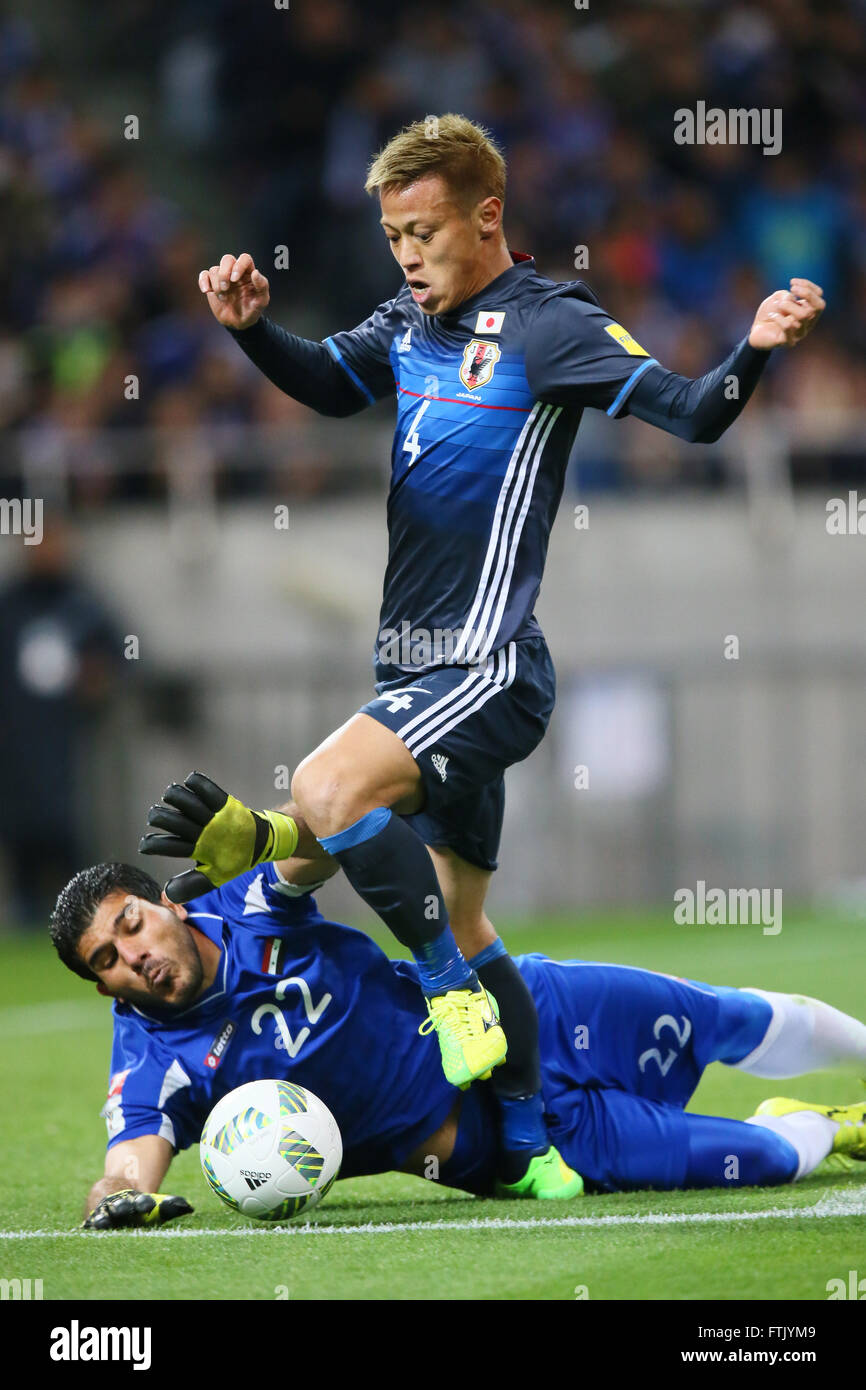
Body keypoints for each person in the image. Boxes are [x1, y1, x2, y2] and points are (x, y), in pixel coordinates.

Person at [171, 113, 824, 1199]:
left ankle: (441, 989)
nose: (408, 255)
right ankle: (526, 1141)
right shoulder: (409, 320)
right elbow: (334, 382)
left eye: (423, 231)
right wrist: (250, 329)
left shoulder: (547, 325)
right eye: (391, 237)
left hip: (483, 669)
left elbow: (693, 416)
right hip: (416, 674)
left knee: (326, 789)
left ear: (486, 216)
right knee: (469, 917)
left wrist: (751, 348)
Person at [49, 855, 866, 1230]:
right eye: (109, 960)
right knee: (768, 1161)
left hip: (524, 1011)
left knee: (739, 1018)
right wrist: (117, 1201)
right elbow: (126, 1168)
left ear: (165, 904)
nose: (137, 956)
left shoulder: (249, 902)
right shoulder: (152, 1067)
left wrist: (260, 830)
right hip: (492, 1148)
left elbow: (331, 827)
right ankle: (827, 1123)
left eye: (133, 925)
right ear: (102, 986)